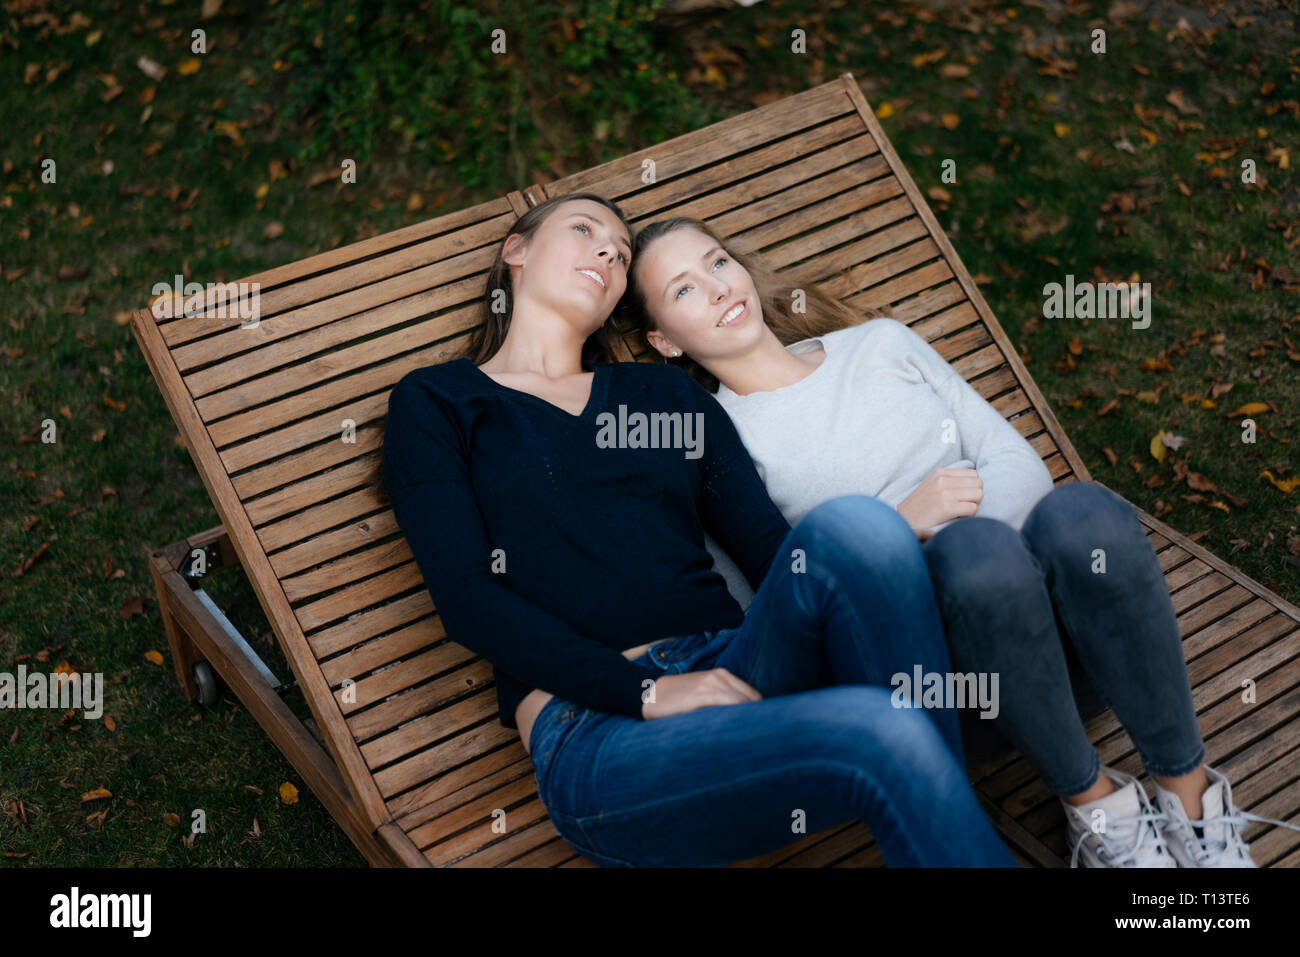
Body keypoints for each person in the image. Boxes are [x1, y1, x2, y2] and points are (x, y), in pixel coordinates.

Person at [620, 213, 1300, 868]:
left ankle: (1193, 808)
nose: (715, 287)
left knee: (1084, 512)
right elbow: (783, 613)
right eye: (683, 288)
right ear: (665, 343)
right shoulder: (723, 449)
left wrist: (974, 548)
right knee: (978, 559)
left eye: (716, 261)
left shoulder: (880, 342)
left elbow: (1019, 465)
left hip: (1069, 650)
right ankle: (1100, 817)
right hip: (956, 691)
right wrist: (905, 521)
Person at [378, 191, 1017, 867]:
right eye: (586, 230)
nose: (608, 252)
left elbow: (774, 556)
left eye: (622, 253)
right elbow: (468, 599)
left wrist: (884, 540)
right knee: (884, 727)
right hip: (597, 731)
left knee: (854, 527)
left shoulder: (663, 396)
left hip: (736, 670)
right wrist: (644, 691)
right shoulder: (441, 401)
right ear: (517, 248)